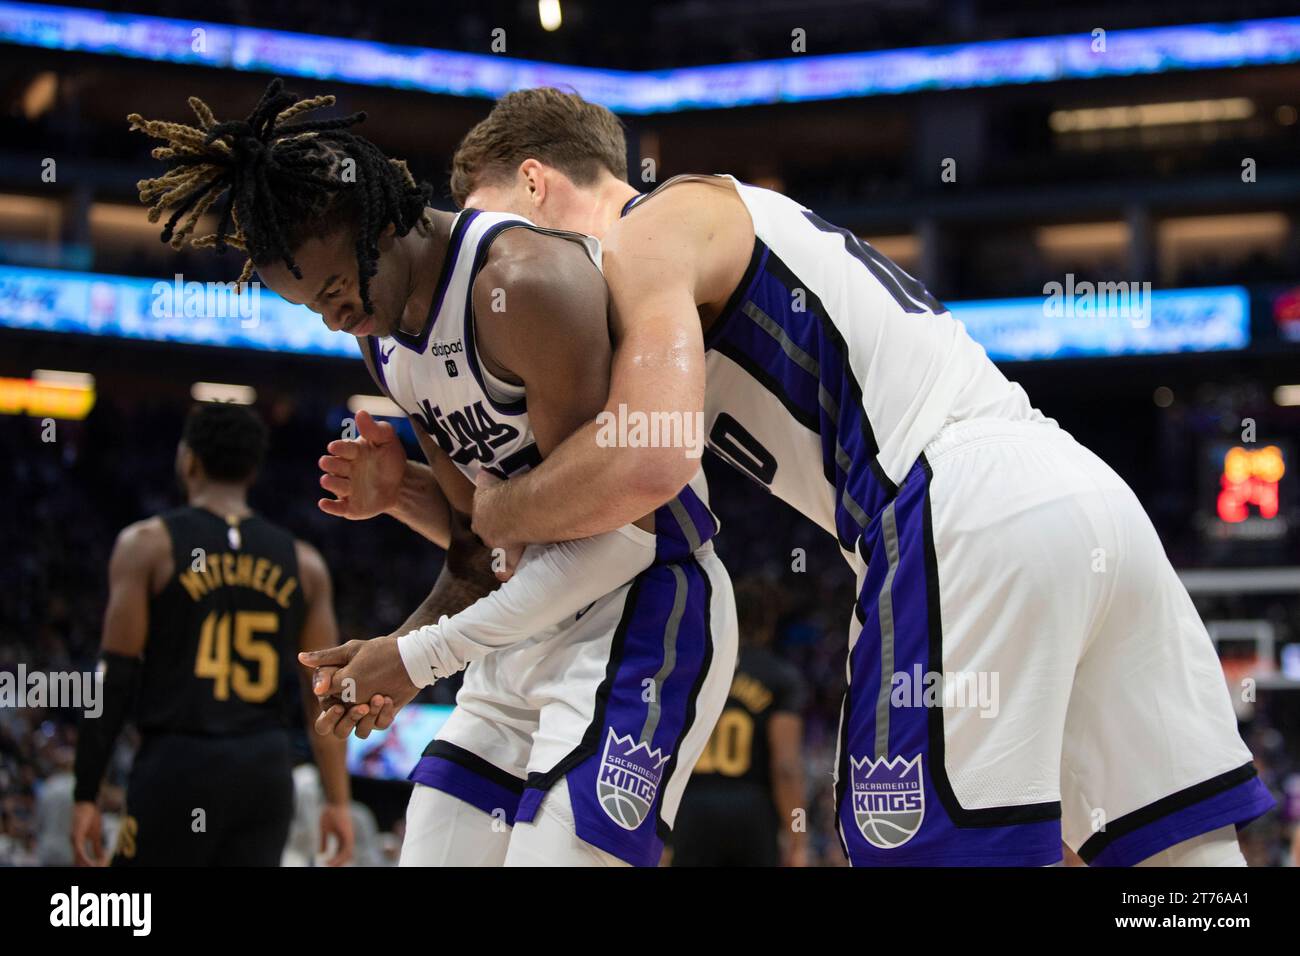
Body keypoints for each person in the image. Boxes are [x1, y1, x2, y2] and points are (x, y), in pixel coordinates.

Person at [424, 87, 1271, 866]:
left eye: (479, 224)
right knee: (1183, 861)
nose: (480, 268)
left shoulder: (644, 234)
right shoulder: (699, 239)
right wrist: (411, 489)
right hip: (1085, 499)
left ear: (534, 184)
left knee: (921, 853)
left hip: (955, 504)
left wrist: (494, 509)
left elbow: (648, 459)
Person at [127, 79, 737, 867]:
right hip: (524, 633)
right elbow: (481, 550)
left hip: (646, 614)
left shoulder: (522, 283)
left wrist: (415, 658)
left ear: (381, 222)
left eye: (339, 289)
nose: (337, 318)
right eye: (314, 308)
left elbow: (616, 539)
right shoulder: (381, 340)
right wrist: (398, 615)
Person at [71, 401, 353, 866]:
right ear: (253, 471)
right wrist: (338, 801)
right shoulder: (305, 564)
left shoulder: (147, 546)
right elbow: (324, 693)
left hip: (178, 764)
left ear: (189, 460)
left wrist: (86, 792)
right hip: (264, 771)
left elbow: (113, 678)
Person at [671, 577, 808, 867]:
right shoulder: (779, 676)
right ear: (768, 624)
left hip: (692, 807)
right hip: (752, 810)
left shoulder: (695, 670)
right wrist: (798, 839)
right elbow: (785, 767)